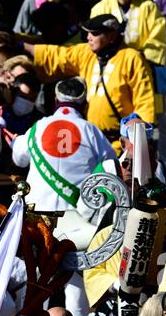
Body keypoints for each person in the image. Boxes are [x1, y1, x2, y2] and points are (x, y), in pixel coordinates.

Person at [30, 15, 156, 147]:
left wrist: (140, 143)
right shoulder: (87, 52)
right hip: (91, 141)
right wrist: (21, 45)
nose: (89, 37)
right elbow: (56, 55)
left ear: (111, 36)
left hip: (121, 143)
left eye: (95, 34)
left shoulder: (132, 57)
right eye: (87, 33)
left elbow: (144, 100)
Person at [10, 76, 116, 213]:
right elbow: (111, 167)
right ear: (85, 105)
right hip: (77, 214)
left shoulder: (37, 127)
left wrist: (17, 141)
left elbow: (19, 160)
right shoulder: (91, 130)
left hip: (37, 209)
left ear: (56, 101)